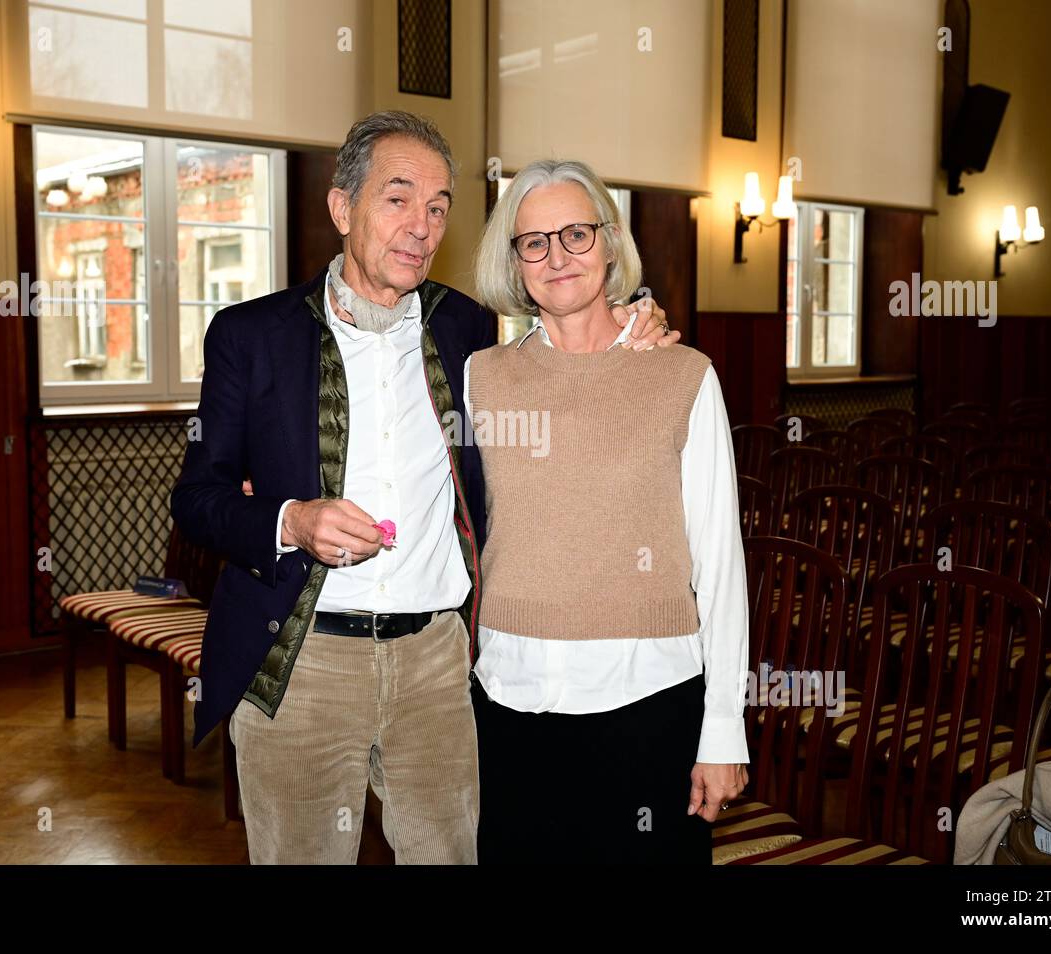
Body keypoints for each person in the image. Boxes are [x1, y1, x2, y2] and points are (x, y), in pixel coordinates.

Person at [170, 112, 677, 864]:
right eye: (398, 199)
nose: (422, 225)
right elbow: (197, 498)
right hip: (304, 661)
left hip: (438, 665)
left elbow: (570, 353)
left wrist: (637, 324)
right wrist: (292, 519)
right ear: (343, 209)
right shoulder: (253, 335)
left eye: (439, 206)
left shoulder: (468, 330)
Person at [465, 158, 750, 864]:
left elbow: (720, 563)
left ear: (612, 242)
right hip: (509, 707)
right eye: (534, 241)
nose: (557, 257)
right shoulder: (480, 378)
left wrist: (724, 730)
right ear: (515, 261)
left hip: (650, 709)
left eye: (577, 235)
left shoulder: (685, 376)